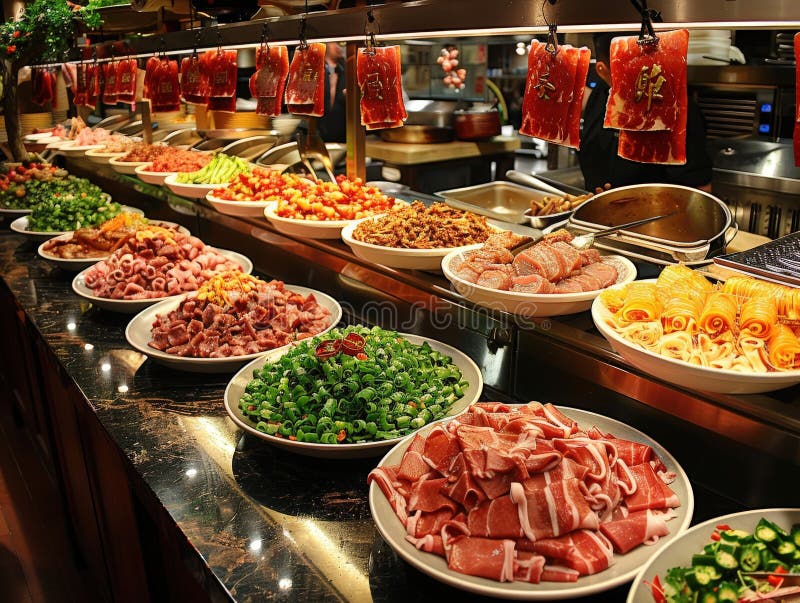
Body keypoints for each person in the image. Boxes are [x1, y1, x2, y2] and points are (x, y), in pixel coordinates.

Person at [578, 32, 713, 192]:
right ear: (603, 72)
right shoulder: (600, 94)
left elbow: (700, 191)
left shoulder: (675, 110)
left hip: (654, 214)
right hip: (594, 212)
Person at [317, 41, 347, 143]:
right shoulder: (315, 68)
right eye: (336, 43)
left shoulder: (348, 68)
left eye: (341, 44)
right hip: (317, 136)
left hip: (344, 138)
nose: (339, 46)